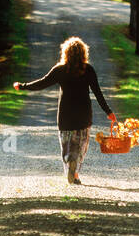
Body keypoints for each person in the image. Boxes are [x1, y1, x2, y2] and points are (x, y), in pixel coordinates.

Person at [14, 36, 115, 185]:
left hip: (65, 116)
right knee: (81, 146)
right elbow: (98, 93)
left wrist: (22, 85)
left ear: (66, 53)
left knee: (67, 145)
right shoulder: (88, 70)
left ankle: (69, 160)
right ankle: (75, 173)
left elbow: (41, 83)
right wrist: (109, 112)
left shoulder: (60, 70)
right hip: (83, 115)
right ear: (83, 53)